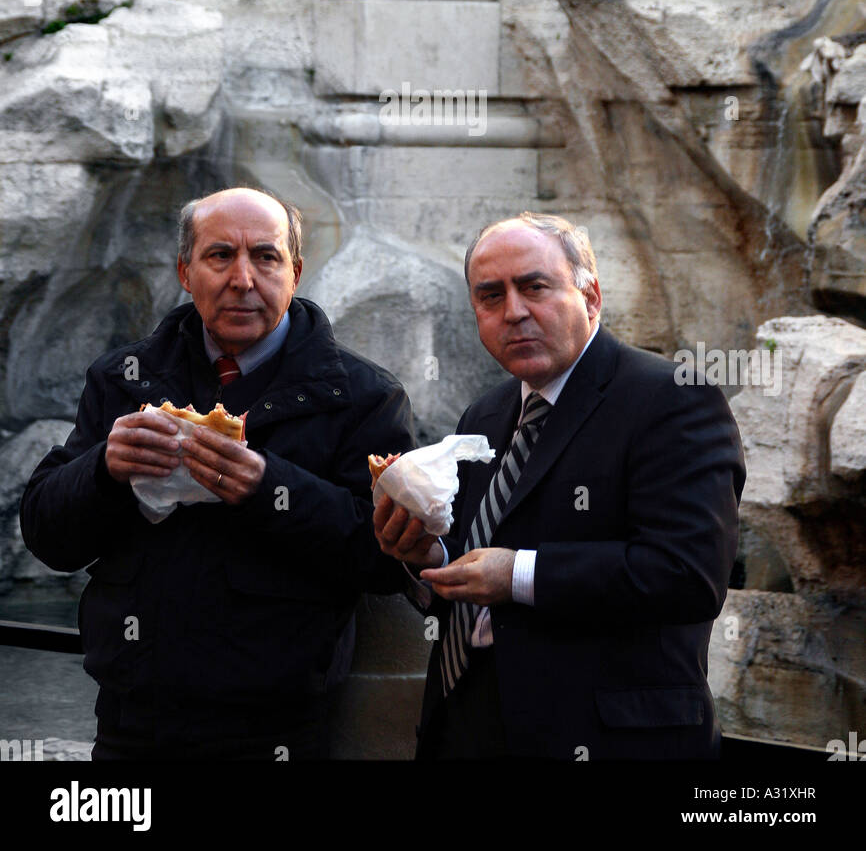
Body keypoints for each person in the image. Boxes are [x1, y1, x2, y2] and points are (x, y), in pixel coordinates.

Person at [20, 186, 414, 760]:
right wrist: (103, 470)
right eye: (220, 255)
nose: (243, 279)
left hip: (276, 728)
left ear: (296, 272)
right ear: (185, 271)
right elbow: (47, 536)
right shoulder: (124, 378)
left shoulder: (362, 397)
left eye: (266, 256)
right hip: (132, 717)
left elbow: (385, 561)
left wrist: (266, 486)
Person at [374, 211, 746, 760]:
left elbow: (689, 575)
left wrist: (518, 573)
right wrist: (423, 557)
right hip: (468, 725)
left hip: (610, 738)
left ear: (590, 295)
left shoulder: (669, 397)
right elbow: (473, 567)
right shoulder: (486, 414)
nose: (515, 312)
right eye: (491, 296)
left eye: (534, 287)